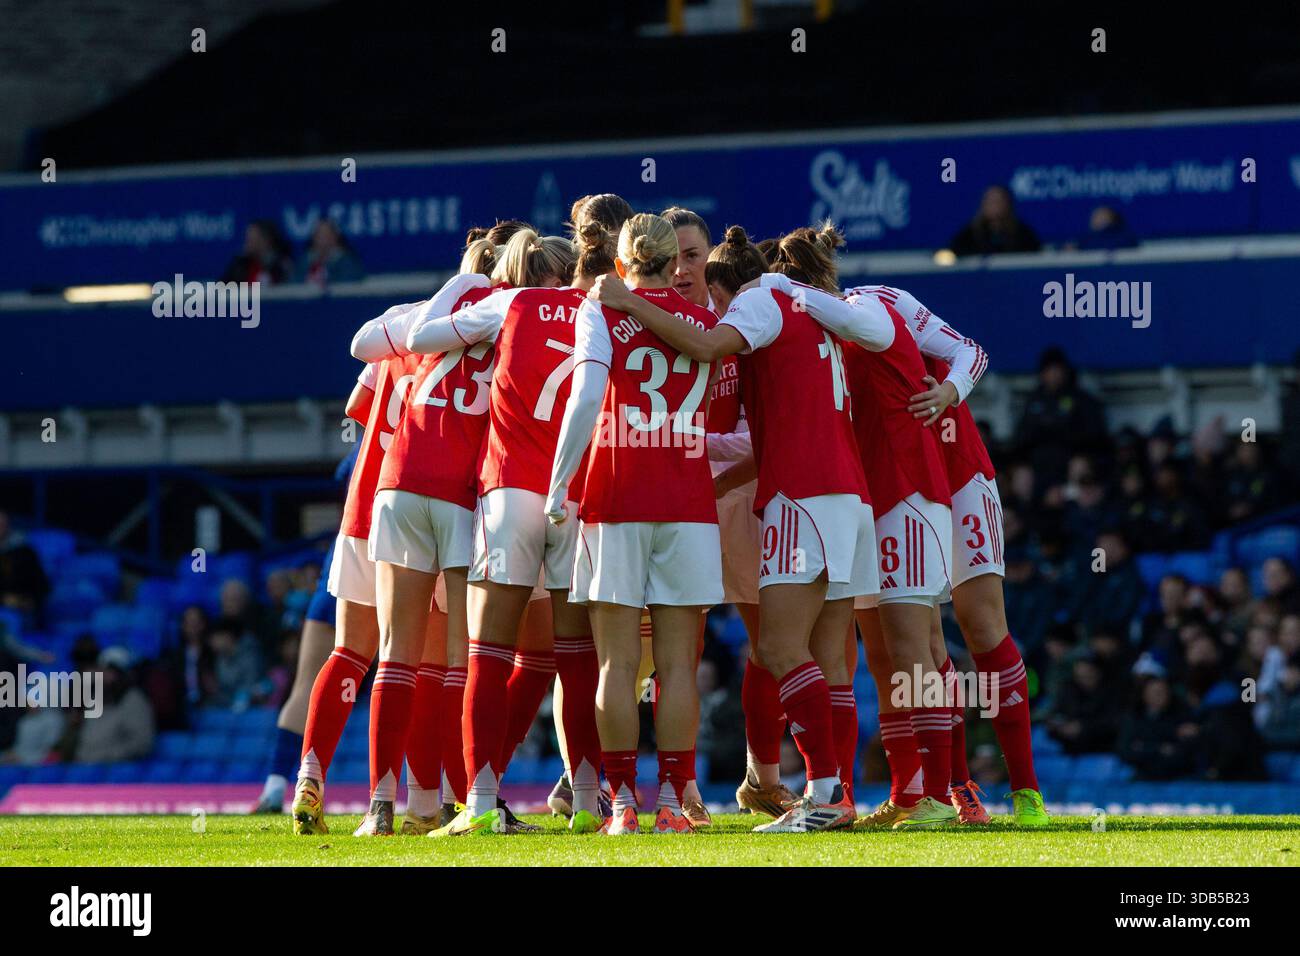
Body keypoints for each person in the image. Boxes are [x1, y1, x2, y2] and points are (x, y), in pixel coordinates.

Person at [587, 223, 880, 833]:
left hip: (801, 497)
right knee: (829, 659)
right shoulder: (816, 313)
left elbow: (709, 347)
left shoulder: (757, 301)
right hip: (849, 495)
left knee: (774, 648)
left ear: (728, 284)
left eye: (714, 294)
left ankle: (823, 794)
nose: (712, 310)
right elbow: (872, 336)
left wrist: (627, 300)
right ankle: (833, 793)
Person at [406, 216, 615, 834]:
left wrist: (462, 278)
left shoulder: (509, 302)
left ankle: (479, 801)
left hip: (510, 493)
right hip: (573, 494)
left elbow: (422, 337)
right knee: (577, 660)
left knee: (488, 655)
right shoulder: (591, 309)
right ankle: (584, 800)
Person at [837, 281, 1046, 826]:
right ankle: (952, 789)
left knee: (983, 627)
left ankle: (1026, 792)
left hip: (958, 473)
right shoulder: (811, 331)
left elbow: (970, 351)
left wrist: (949, 392)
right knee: (920, 640)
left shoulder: (881, 303)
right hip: (896, 484)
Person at [548, 213, 725, 835]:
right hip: (688, 503)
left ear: (621, 262)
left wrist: (558, 480)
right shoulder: (706, 321)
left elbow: (587, 398)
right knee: (678, 667)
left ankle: (621, 803)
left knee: (616, 666)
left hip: (617, 497)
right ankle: (675, 802)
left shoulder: (600, 311)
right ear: (670, 261)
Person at [946, 185, 1041, 256]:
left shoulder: (1023, 234)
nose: (994, 206)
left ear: (1008, 204)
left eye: (998, 202)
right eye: (990, 202)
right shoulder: (968, 235)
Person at [0, 511, 50, 618]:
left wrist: (28, 601)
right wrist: (4, 599)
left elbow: (41, 584)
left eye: (2, 523)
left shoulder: (24, 553)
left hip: (20, 610)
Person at [220, 219, 294, 285]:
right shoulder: (240, 265)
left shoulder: (280, 265)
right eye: (247, 238)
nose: (247, 243)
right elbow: (221, 288)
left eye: (251, 239)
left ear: (265, 241)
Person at [296, 219, 366, 286]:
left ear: (335, 237)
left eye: (326, 235)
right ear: (313, 238)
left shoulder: (347, 262)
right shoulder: (305, 262)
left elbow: (349, 285)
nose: (322, 239)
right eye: (319, 235)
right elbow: (294, 285)